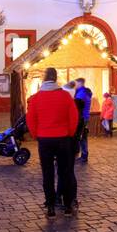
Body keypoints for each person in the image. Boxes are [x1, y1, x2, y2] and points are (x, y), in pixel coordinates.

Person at [27, 67, 79, 216]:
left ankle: (50, 206)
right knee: (65, 172)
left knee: (47, 173)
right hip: (62, 138)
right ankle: (68, 205)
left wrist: (36, 134)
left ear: (44, 79)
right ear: (56, 78)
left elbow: (31, 119)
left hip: (44, 139)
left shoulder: (36, 98)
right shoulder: (65, 97)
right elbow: (73, 117)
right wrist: (69, 133)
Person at [73, 77, 93, 163]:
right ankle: (84, 155)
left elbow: (77, 107)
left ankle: (83, 156)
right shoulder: (85, 92)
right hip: (85, 117)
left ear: (80, 83)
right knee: (83, 137)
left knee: (80, 137)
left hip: (81, 118)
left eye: (76, 84)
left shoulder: (81, 93)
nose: (75, 85)